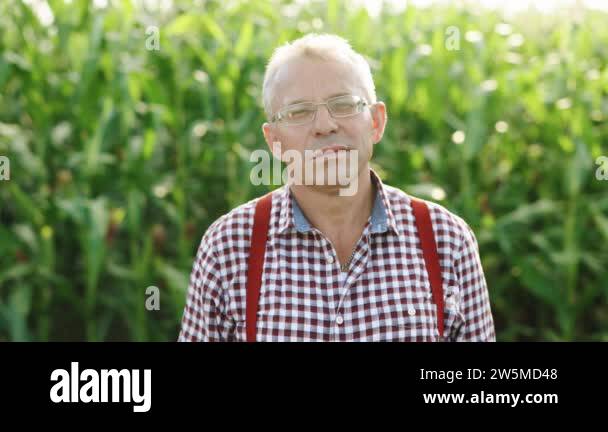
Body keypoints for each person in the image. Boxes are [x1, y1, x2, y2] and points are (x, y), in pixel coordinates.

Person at [178, 33, 495, 342]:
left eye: (343, 104)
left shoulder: (446, 240)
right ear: (273, 140)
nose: (325, 125)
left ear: (376, 122)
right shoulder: (229, 246)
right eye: (299, 112)